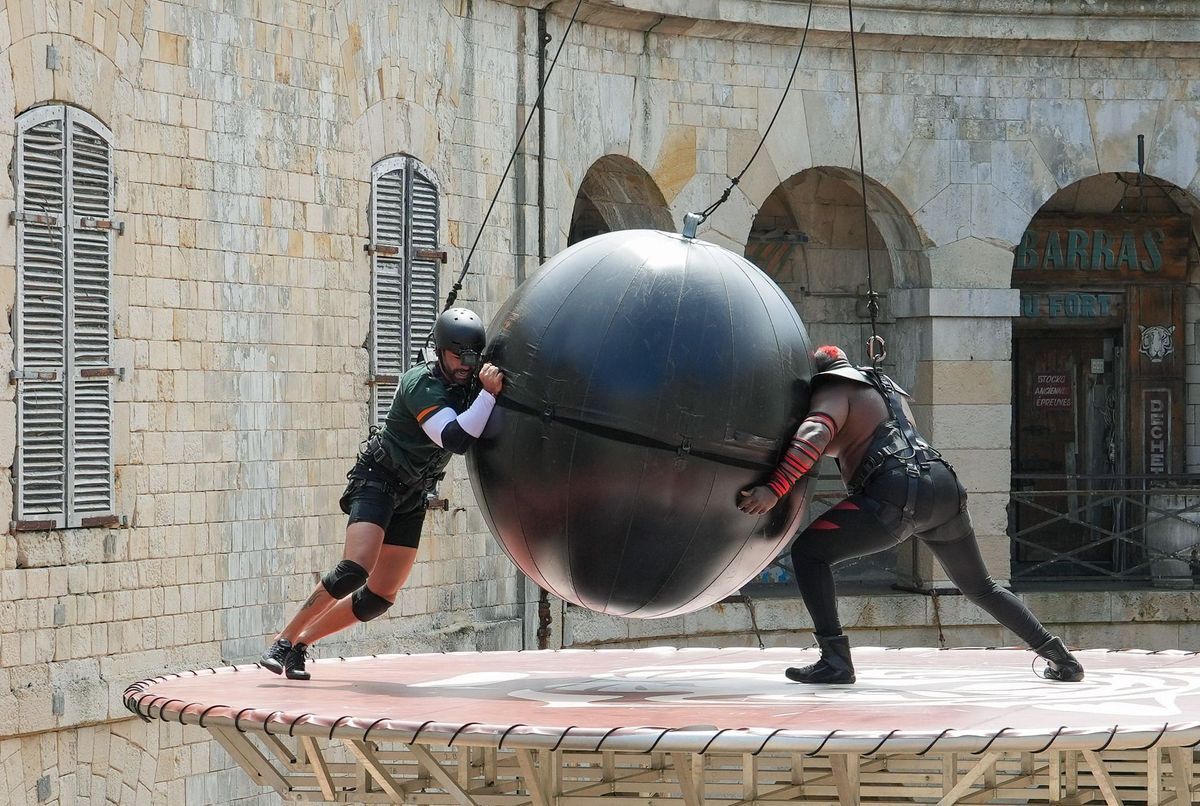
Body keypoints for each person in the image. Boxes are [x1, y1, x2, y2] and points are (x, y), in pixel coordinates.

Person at [738, 345, 1084, 685]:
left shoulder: (835, 388)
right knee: (981, 586)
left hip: (895, 492)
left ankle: (835, 660)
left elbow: (815, 433)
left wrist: (775, 487)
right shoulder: (887, 392)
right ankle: (1061, 658)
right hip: (943, 486)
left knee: (808, 553)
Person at [260, 307, 504, 680]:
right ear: (439, 351)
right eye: (458, 357)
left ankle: (301, 645)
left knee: (378, 597)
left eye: (473, 357)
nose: (466, 365)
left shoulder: (469, 381)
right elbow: (455, 439)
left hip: (415, 491)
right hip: (379, 478)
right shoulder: (420, 384)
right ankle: (282, 640)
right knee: (355, 569)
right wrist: (487, 395)